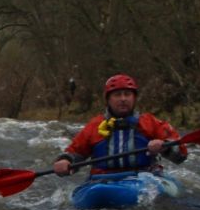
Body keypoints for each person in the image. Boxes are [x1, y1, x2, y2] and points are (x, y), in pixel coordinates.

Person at [52, 74, 187, 176]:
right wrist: (65, 161)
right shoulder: (95, 125)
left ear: (134, 98)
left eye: (127, 94)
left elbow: (181, 154)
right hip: (103, 181)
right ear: (108, 100)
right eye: (117, 95)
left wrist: (165, 147)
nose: (123, 99)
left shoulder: (150, 122)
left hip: (144, 178)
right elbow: (76, 152)